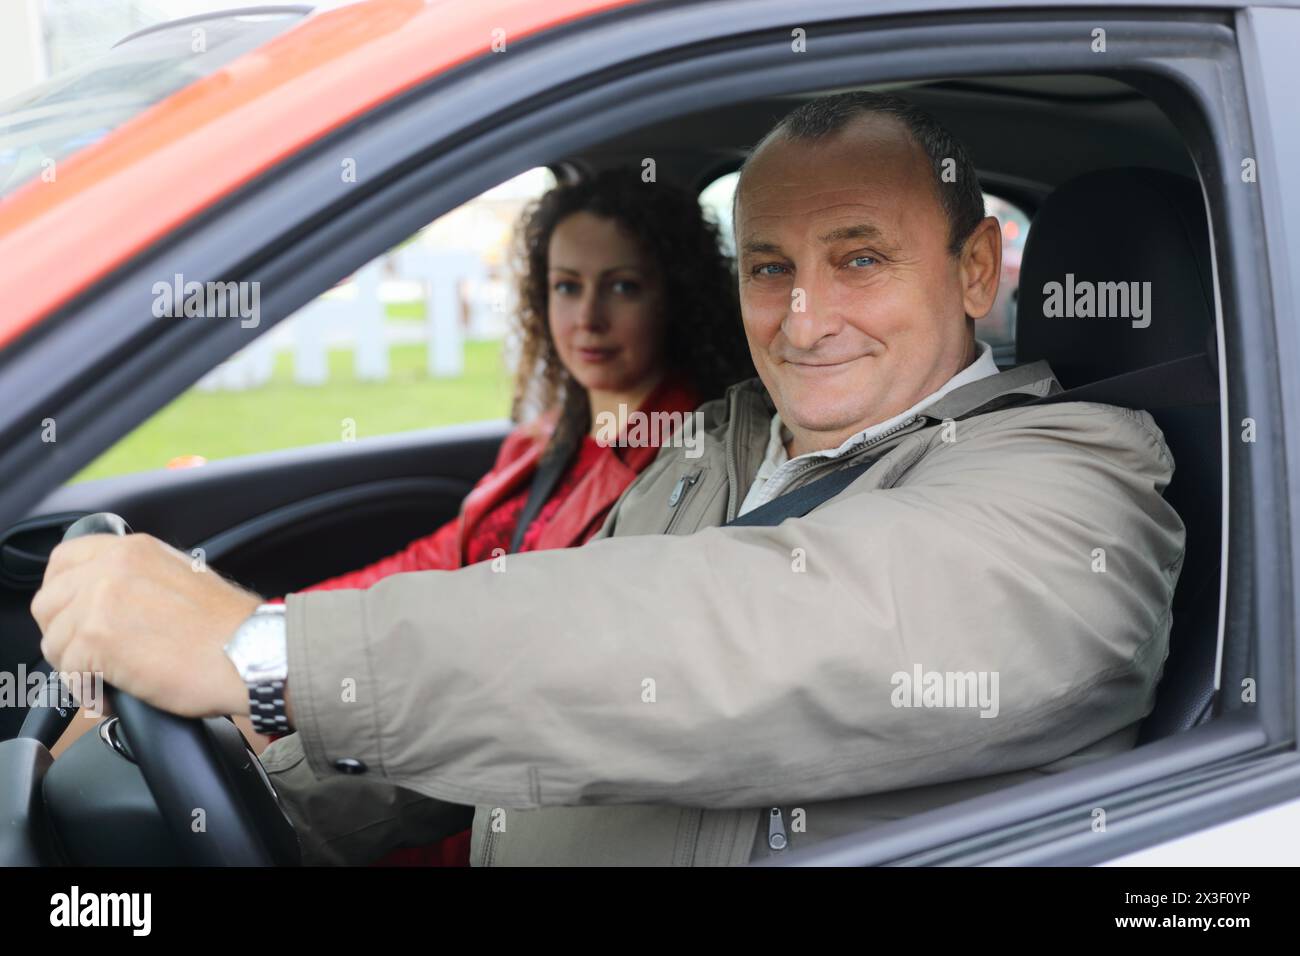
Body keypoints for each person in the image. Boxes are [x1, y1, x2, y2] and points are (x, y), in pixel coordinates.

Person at [32, 91, 1185, 866]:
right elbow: (536, 682)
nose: (802, 316)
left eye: (861, 260)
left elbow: (731, 633)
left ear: (976, 267)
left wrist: (269, 648)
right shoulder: (720, 446)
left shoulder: (1079, 491)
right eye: (770, 266)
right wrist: (252, 752)